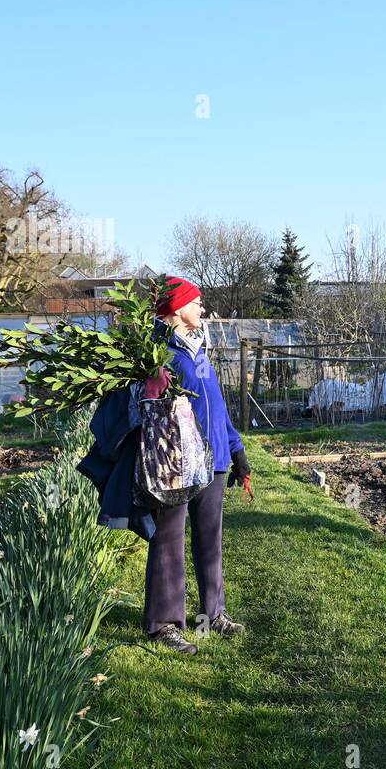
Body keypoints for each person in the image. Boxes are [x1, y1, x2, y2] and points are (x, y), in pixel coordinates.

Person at [142, 276, 252, 654]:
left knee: (211, 541)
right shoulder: (161, 354)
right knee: (169, 542)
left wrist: (235, 450)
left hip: (215, 461)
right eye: (196, 301)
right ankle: (165, 625)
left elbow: (217, 409)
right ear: (176, 309)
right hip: (178, 465)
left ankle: (212, 615)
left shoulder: (199, 350)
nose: (202, 308)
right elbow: (152, 412)